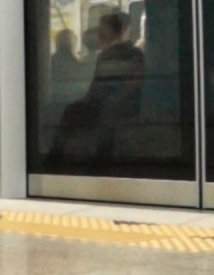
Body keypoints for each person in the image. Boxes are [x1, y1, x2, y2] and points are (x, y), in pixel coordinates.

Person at [49, 12, 145, 163]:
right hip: (118, 107)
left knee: (70, 113)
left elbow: (97, 89)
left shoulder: (108, 55)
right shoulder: (135, 53)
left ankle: (54, 160)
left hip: (107, 108)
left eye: (103, 29)